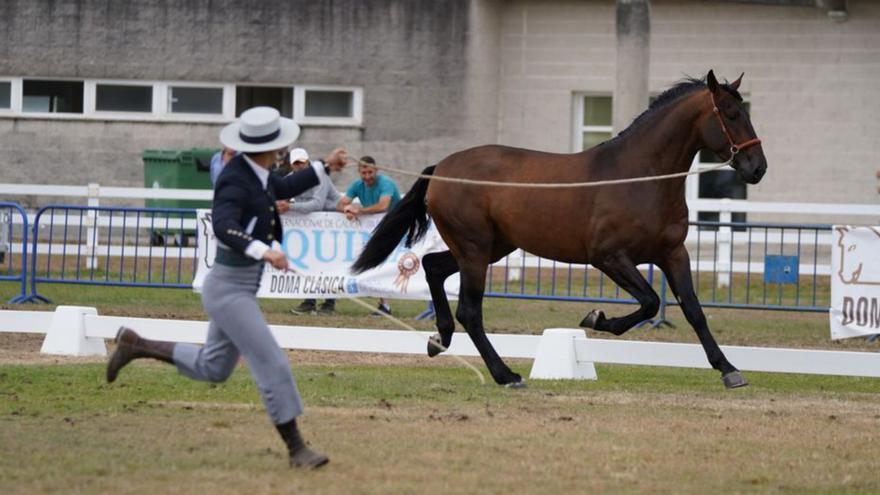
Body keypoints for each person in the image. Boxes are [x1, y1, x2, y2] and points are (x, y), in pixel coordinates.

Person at [106, 107, 330, 469]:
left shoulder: (260, 174)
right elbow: (224, 225)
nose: (282, 152)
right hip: (228, 290)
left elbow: (287, 187)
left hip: (238, 287)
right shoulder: (234, 179)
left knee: (213, 368)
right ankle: (297, 450)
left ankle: (136, 344)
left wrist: (326, 166)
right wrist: (263, 251)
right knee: (271, 362)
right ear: (267, 147)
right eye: (279, 146)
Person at [280, 147, 349, 316]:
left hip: (332, 221)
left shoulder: (320, 177)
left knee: (329, 264)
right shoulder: (289, 179)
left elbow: (317, 205)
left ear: (308, 162)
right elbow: (281, 197)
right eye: (296, 163)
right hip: (311, 225)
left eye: (302, 163)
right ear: (291, 165)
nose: (299, 166)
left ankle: (329, 303)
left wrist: (289, 206)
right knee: (310, 261)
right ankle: (309, 302)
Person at [337, 156, 401, 316]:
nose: (367, 176)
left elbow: (383, 205)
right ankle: (384, 305)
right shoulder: (357, 185)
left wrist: (357, 210)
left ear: (376, 170)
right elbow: (341, 203)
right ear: (359, 172)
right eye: (363, 173)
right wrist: (347, 210)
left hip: (398, 228)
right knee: (377, 263)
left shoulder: (386, 183)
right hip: (377, 230)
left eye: (370, 172)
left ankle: (386, 305)